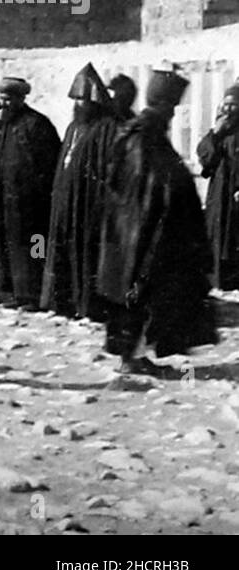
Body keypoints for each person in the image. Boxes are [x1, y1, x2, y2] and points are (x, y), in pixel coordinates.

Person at [95, 68, 217, 375]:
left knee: (135, 295)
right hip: (141, 232)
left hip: (129, 231)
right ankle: (131, 358)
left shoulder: (136, 132)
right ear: (162, 105)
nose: (174, 114)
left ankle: (132, 355)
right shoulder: (146, 136)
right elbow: (151, 187)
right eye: (172, 107)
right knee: (137, 294)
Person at [40, 65, 121, 319]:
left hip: (88, 203)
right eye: (75, 99)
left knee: (86, 254)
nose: (77, 104)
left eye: (82, 99)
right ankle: (61, 303)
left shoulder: (107, 128)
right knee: (58, 250)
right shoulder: (72, 128)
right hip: (65, 200)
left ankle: (87, 306)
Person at [0, 77, 61, 310]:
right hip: (6, 201)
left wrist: (38, 192)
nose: (3, 105)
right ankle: (13, 291)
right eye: (1, 100)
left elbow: (48, 163)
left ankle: (34, 295)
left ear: (20, 99)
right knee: (10, 247)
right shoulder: (6, 125)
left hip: (33, 203)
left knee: (36, 247)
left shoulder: (37, 124)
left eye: (7, 100)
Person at [198, 83, 239, 291]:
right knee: (216, 236)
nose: (228, 110)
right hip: (218, 194)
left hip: (235, 195)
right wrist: (215, 133)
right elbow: (206, 160)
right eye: (226, 104)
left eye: (234, 105)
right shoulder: (218, 132)